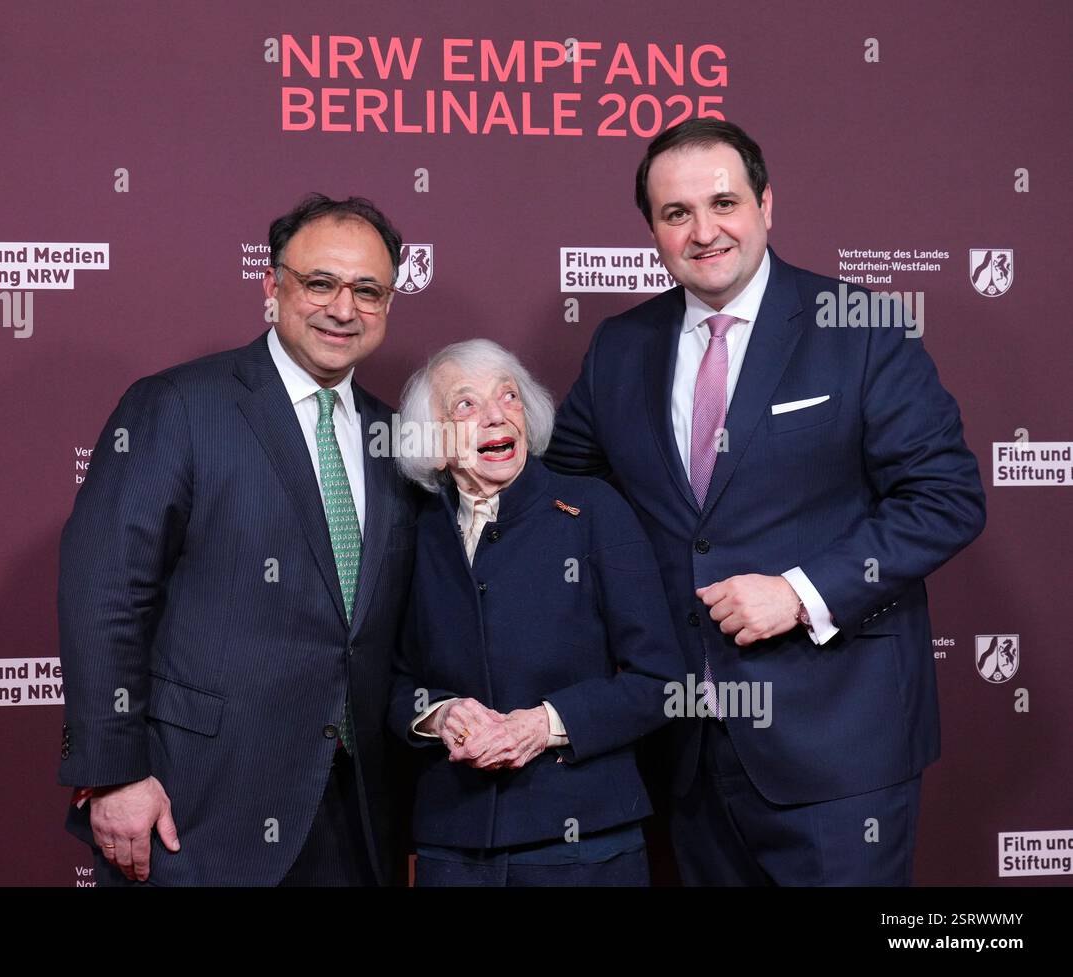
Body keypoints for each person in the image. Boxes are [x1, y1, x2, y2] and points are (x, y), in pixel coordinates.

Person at [544, 119, 986, 885]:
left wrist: (799, 591)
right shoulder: (621, 346)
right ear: (651, 229)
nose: (705, 231)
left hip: (840, 748)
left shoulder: (861, 327)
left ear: (767, 204)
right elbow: (564, 492)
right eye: (676, 213)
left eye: (724, 202)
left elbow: (946, 497)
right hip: (683, 749)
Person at [57, 194, 421, 885]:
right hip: (196, 807)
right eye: (320, 283)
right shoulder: (179, 406)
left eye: (368, 291)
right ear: (271, 284)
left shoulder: (396, 436)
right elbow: (103, 591)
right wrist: (113, 772)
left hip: (356, 813)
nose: (343, 308)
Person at [388, 339, 683, 886]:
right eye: (466, 405)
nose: (496, 415)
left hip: (583, 843)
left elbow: (660, 681)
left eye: (509, 396)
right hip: (453, 844)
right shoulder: (412, 529)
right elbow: (392, 678)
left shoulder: (592, 510)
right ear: (432, 438)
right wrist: (439, 713)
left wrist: (545, 725)